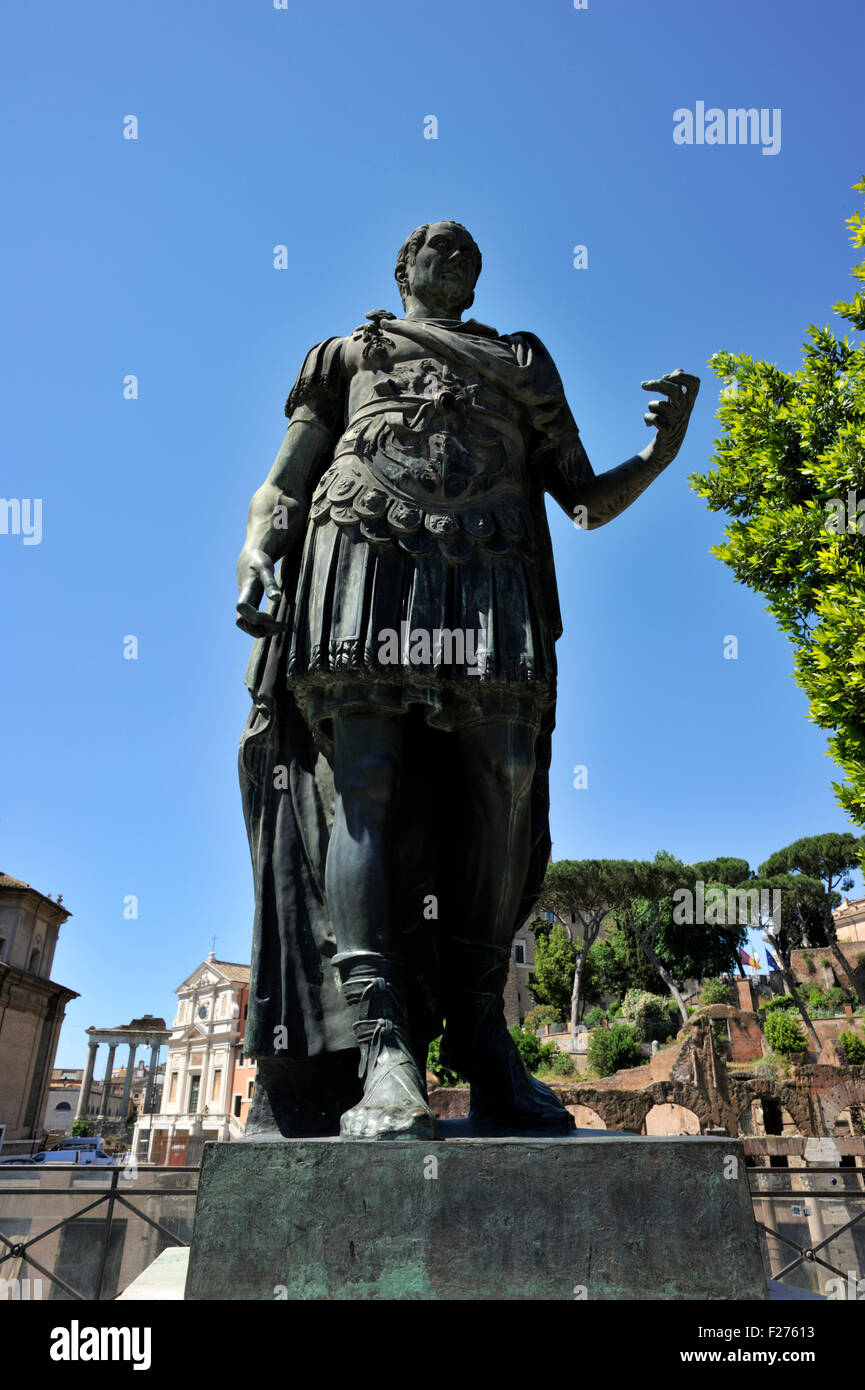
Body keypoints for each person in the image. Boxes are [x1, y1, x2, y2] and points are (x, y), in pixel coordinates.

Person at [236, 221, 698, 1140]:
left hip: (492, 570)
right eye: (433, 250)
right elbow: (286, 478)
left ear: (477, 285)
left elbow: (582, 502)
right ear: (401, 269)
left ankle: (483, 1033)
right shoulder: (347, 352)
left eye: (467, 257)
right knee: (363, 784)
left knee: (507, 779)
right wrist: (257, 545)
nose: (450, 261)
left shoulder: (524, 363)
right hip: (363, 557)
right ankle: (383, 1048)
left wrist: (658, 455)